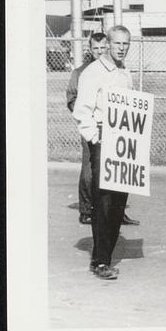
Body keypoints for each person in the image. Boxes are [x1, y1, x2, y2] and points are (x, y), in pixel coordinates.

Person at [72, 25, 135, 280]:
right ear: (107, 44)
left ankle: (105, 257)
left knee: (119, 201)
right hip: (103, 139)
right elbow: (81, 111)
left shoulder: (124, 72)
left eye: (126, 44)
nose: (122, 48)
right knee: (105, 202)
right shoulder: (93, 72)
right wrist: (95, 139)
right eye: (118, 43)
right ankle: (100, 261)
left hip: (123, 142)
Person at [66, 33, 108, 225]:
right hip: (92, 126)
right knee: (90, 168)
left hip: (112, 126)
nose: (100, 52)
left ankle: (115, 210)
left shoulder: (114, 70)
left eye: (103, 47)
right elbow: (72, 99)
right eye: (96, 48)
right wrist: (88, 121)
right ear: (90, 50)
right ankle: (86, 209)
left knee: (113, 169)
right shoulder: (81, 72)